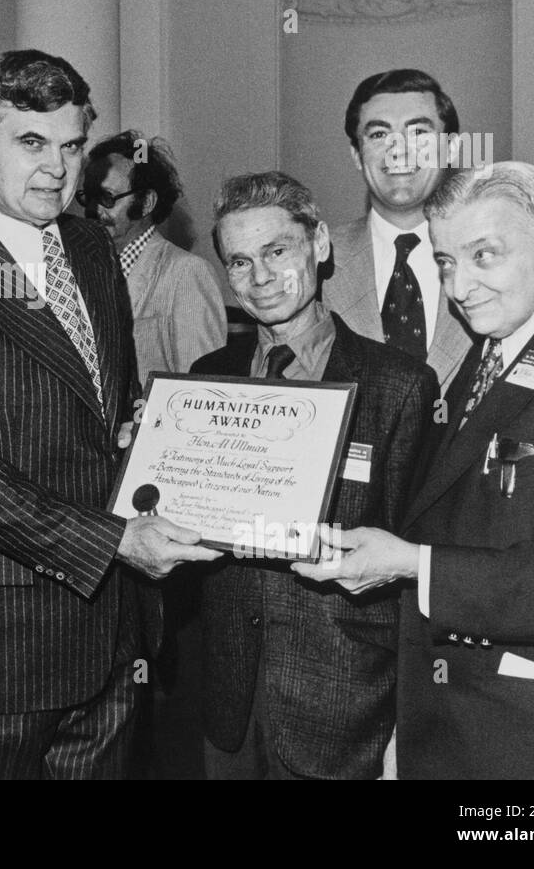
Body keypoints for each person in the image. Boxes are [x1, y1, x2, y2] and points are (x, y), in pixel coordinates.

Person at [0, 49, 218, 780]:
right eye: (30, 143)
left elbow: (109, 407)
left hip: (110, 636)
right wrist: (119, 540)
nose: (56, 169)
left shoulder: (93, 249)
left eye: (69, 147)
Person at [296, 162, 534, 780]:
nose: (460, 286)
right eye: (448, 261)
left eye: (485, 255)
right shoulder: (499, 339)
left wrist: (410, 563)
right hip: (469, 721)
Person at [185, 172, 436, 780]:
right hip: (228, 704)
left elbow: (414, 557)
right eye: (239, 262)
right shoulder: (204, 377)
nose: (260, 278)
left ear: (320, 244)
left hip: (345, 699)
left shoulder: (399, 385)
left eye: (277, 251)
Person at [323, 69, 474, 392]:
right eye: (378, 135)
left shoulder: (495, 260)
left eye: (419, 132)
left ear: (451, 149)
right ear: (356, 154)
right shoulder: (317, 262)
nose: (399, 150)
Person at [79, 131, 227, 382]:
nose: (94, 210)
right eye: (88, 197)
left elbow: (200, 391)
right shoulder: (80, 269)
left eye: (107, 198)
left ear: (147, 202)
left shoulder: (186, 273)